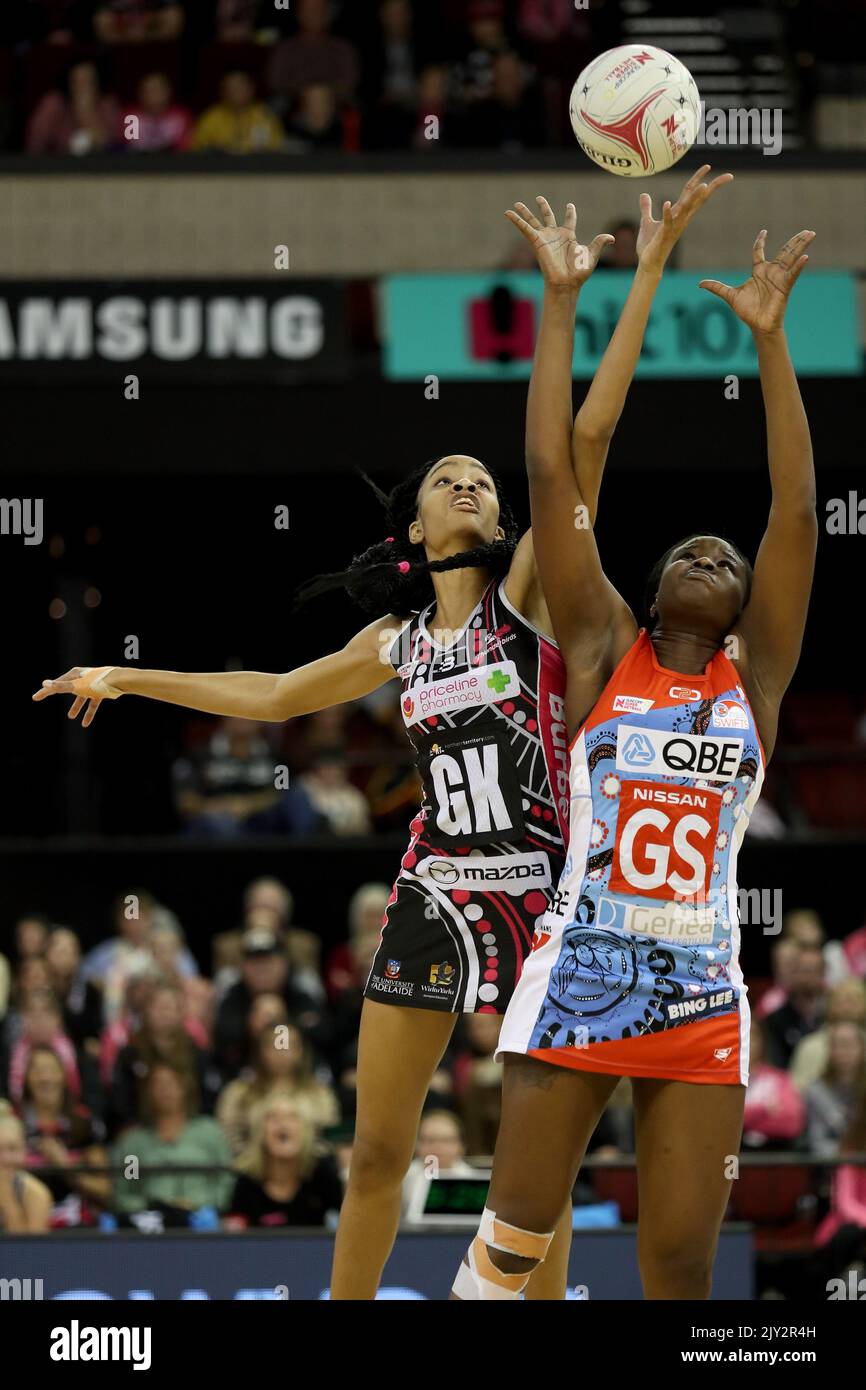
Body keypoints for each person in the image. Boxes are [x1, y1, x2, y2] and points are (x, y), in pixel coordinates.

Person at [34, 320, 624, 1296]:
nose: (468, 485)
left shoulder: (527, 597)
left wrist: (576, 301)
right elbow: (268, 693)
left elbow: (577, 455)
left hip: (538, 902)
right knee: (376, 1149)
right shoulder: (392, 638)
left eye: (481, 479)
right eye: (446, 479)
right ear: (416, 528)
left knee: (533, 1169)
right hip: (433, 894)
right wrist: (126, 676)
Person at [451, 171, 817, 1300]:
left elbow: (793, 514)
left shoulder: (753, 679)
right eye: (690, 551)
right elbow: (556, 471)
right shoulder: (607, 651)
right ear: (650, 593)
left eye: (727, 555)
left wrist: (767, 343)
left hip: (703, 994)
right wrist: (571, 298)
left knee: (679, 1276)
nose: (715, 552)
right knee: (510, 1250)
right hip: (578, 975)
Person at [111, 1062, 234, 1218]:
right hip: (151, 1228)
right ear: (147, 1092)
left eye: (172, 1083)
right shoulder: (133, 1146)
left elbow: (225, 1182)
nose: (165, 1090)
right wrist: (157, 1209)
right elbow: (126, 1192)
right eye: (158, 1084)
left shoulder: (210, 1134)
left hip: (204, 1225)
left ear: (185, 1088)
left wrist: (200, 1206)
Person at [217, 1020, 339, 1156]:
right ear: (261, 1050)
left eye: (289, 1045)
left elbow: (329, 1138)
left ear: (301, 1051)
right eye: (274, 1045)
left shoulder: (320, 1094)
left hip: (312, 1172)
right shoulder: (238, 1093)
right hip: (251, 1170)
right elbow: (227, 1139)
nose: (281, 1052)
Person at [19, 1045, 111, 1225]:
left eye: (52, 1070)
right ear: (26, 1079)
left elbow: (105, 1190)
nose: (45, 1078)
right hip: (23, 1225)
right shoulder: (13, 1125)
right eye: (37, 1071)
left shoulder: (85, 1125)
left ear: (64, 1076)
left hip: (76, 1227)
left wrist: (65, 1166)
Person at [226, 1096, 343, 1228]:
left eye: (292, 1117)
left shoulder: (323, 1172)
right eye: (273, 1118)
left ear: (306, 1131)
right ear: (261, 1132)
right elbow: (234, 1234)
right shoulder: (247, 1179)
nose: (283, 1124)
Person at [25, 59, 122, 155]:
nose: (82, 87)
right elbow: (35, 145)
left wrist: (86, 112)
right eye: (77, 82)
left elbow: (109, 147)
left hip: (100, 166)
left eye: (88, 82)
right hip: (57, 165)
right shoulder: (54, 103)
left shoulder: (107, 105)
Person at [742, 1016, 806, 1149]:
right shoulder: (722, 1081)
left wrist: (746, 1119)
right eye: (740, 1032)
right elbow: (723, 1122)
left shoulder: (780, 1079)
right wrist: (765, 1109)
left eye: (752, 1034)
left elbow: (792, 1124)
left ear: (762, 1041)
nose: (746, 1040)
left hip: (773, 1155)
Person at [804, 1023, 866, 1157]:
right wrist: (850, 1156)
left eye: (848, 1044)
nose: (842, 1051)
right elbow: (817, 1143)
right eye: (836, 1045)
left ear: (862, 1048)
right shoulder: (816, 1091)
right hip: (833, 1167)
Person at [402, 1109, 477, 1216]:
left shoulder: (473, 1180)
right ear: (416, 1145)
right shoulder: (402, 1179)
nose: (438, 1147)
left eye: (446, 1140)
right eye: (430, 1140)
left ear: (461, 1146)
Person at [190, 70, 284, 154]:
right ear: (223, 92)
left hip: (257, 169)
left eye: (241, 87)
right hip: (219, 169)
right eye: (231, 88)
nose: (236, 92)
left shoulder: (265, 115)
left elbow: (275, 147)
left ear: (251, 90)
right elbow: (197, 148)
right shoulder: (211, 117)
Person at [0, 1112, 52, 1233]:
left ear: (24, 1151)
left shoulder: (36, 1194)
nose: (4, 1159)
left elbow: (29, 1250)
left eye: (12, 1148)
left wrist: (7, 1201)